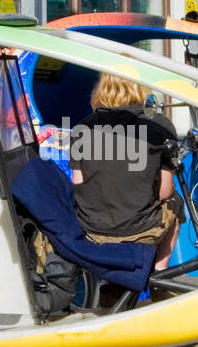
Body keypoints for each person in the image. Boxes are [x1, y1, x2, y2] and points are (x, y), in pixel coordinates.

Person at [70, 74, 180, 270]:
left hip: (92, 231)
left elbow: (78, 185)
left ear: (101, 87)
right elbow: (164, 192)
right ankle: (159, 272)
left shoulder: (83, 127)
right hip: (141, 229)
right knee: (175, 202)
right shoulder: (159, 125)